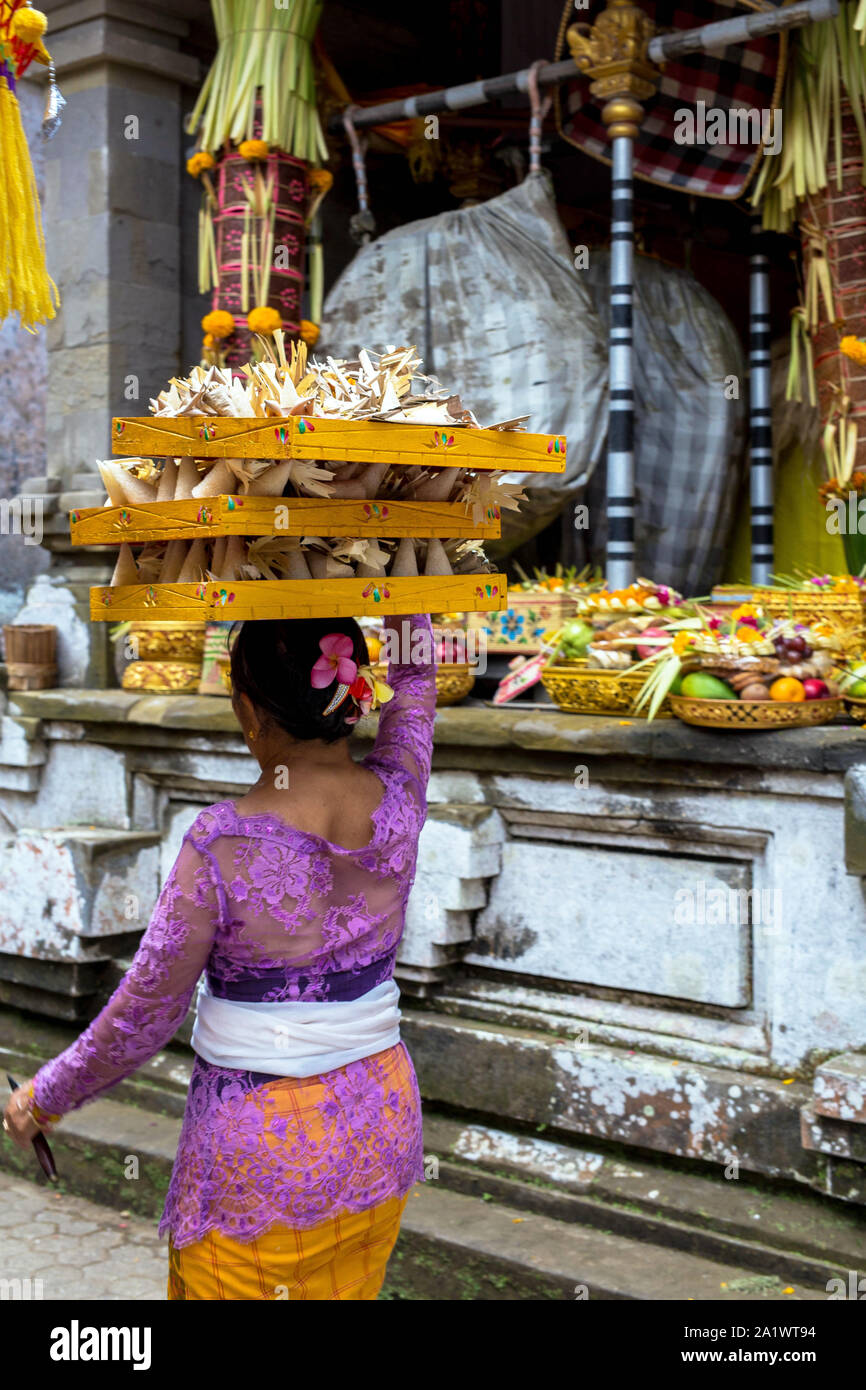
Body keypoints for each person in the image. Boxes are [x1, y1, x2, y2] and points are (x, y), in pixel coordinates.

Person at [3, 613, 436, 1300]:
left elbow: (146, 1009)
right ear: (354, 695)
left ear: (247, 710)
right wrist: (412, 592)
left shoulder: (219, 843)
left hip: (262, 1156)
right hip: (381, 1124)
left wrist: (43, 1097)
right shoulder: (401, 795)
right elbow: (416, 682)